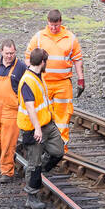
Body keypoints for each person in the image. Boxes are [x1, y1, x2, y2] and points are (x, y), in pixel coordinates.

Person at [25, 10, 84, 147]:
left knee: (63, 116)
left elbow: (77, 59)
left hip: (63, 84)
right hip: (43, 83)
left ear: (60, 22)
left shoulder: (70, 38)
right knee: (43, 114)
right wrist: (33, 76)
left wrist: (81, 79)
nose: (53, 28)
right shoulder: (39, 37)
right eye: (51, 25)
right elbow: (28, 57)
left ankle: (60, 147)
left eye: (56, 25)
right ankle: (44, 144)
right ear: (47, 22)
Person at [17, 48, 67, 209]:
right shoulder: (27, 81)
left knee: (58, 151)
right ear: (43, 62)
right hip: (34, 129)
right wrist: (37, 129)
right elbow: (31, 108)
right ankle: (31, 196)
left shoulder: (38, 77)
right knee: (34, 164)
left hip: (48, 124)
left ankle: (34, 172)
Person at [0, 39, 26, 182]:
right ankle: (7, 156)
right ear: (1, 52)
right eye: (7, 53)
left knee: (8, 142)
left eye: (12, 53)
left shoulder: (21, 67)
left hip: (12, 111)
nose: (9, 56)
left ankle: (7, 172)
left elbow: (26, 89)